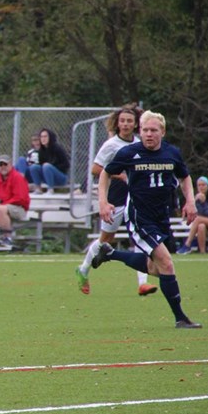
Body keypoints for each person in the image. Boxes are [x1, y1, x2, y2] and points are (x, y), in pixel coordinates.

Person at [92, 111, 202, 329]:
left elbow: (185, 177)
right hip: (138, 218)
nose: (149, 134)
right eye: (144, 130)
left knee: (155, 268)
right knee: (167, 263)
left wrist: (190, 202)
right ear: (139, 131)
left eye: (153, 130)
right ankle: (180, 318)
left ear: (162, 131)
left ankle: (110, 253)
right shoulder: (129, 152)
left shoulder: (172, 153)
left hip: (161, 217)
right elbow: (104, 173)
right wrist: (103, 202)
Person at [76, 104, 154, 295]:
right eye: (123, 121)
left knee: (138, 238)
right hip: (115, 199)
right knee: (106, 239)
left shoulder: (140, 142)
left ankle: (142, 283)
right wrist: (120, 175)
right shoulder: (111, 145)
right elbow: (95, 169)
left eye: (129, 121)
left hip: (135, 199)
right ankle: (83, 269)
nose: (126, 124)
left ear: (136, 123)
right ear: (117, 124)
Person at [178, 176, 208, 254]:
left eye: (203, 185)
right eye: (199, 185)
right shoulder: (197, 198)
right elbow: (196, 213)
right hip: (207, 226)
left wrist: (204, 203)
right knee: (201, 226)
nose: (201, 187)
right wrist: (195, 202)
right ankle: (202, 252)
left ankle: (187, 245)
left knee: (198, 219)